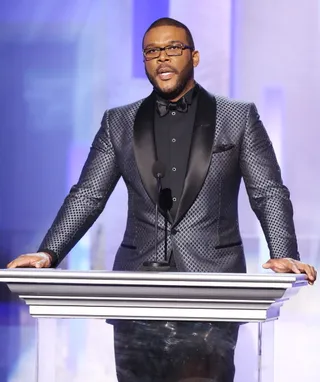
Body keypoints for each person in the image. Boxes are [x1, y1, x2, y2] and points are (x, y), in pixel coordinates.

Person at [7, 17, 317, 382]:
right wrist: (49, 252)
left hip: (212, 293)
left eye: (173, 48)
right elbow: (89, 194)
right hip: (137, 294)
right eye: (153, 51)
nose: (163, 58)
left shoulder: (237, 118)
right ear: (144, 61)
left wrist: (283, 252)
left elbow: (267, 190)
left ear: (194, 57)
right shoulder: (118, 122)